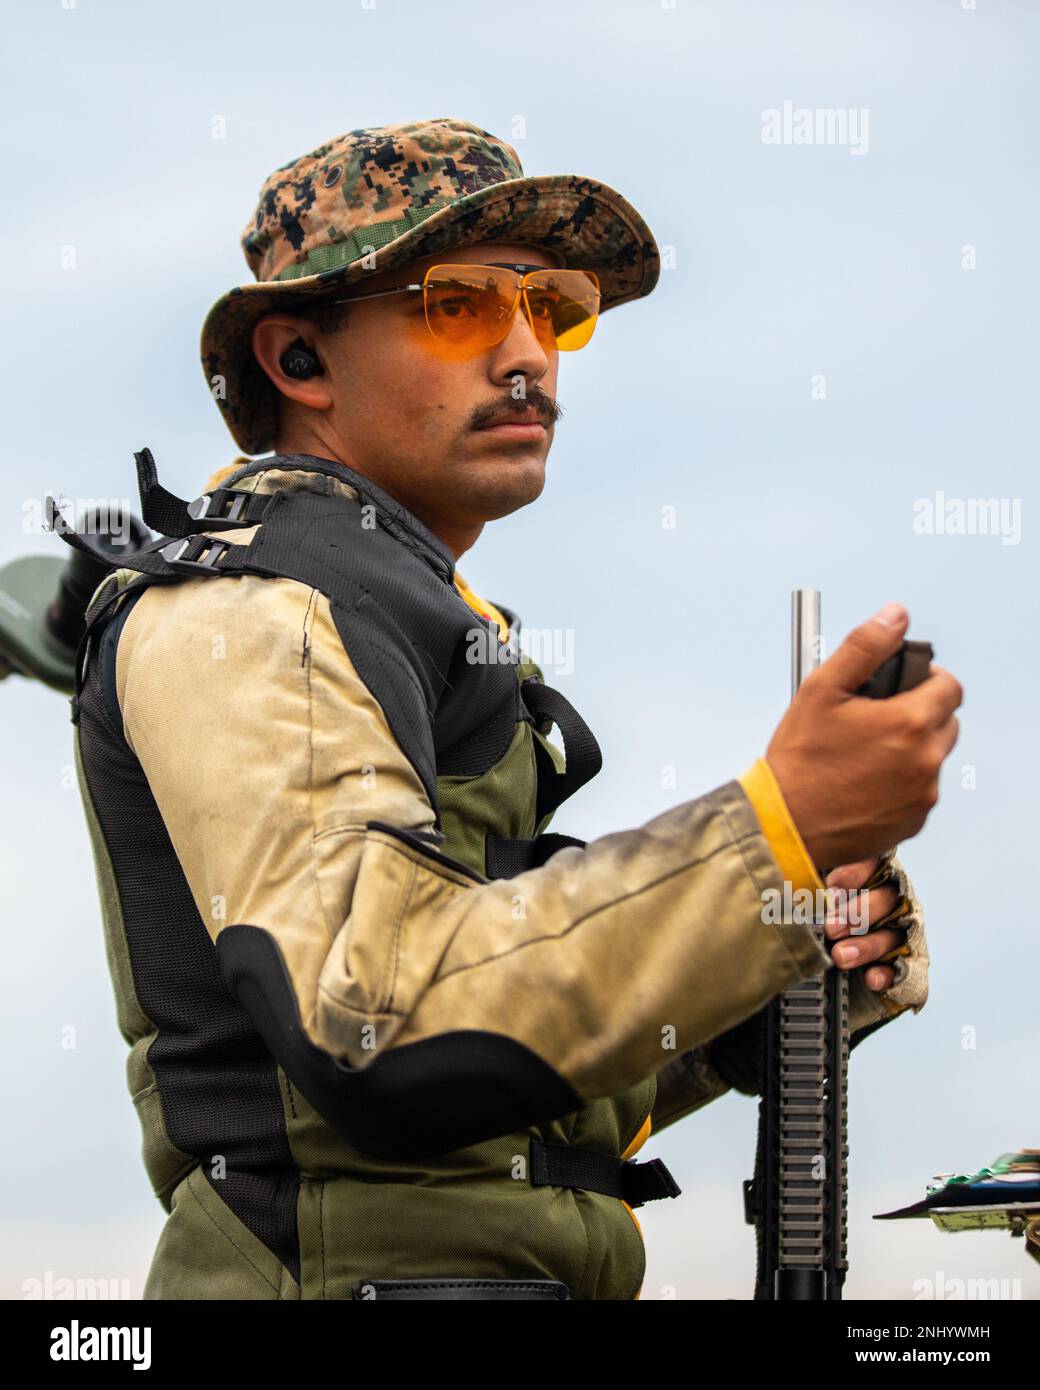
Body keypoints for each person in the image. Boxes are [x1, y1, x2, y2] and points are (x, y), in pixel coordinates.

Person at [68, 118, 961, 1301]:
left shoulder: (391, 597)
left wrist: (754, 977)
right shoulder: (255, 609)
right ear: (297, 361)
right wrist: (772, 833)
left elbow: (498, 1086)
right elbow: (383, 1024)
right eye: (460, 305)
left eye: (551, 308)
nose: (526, 353)